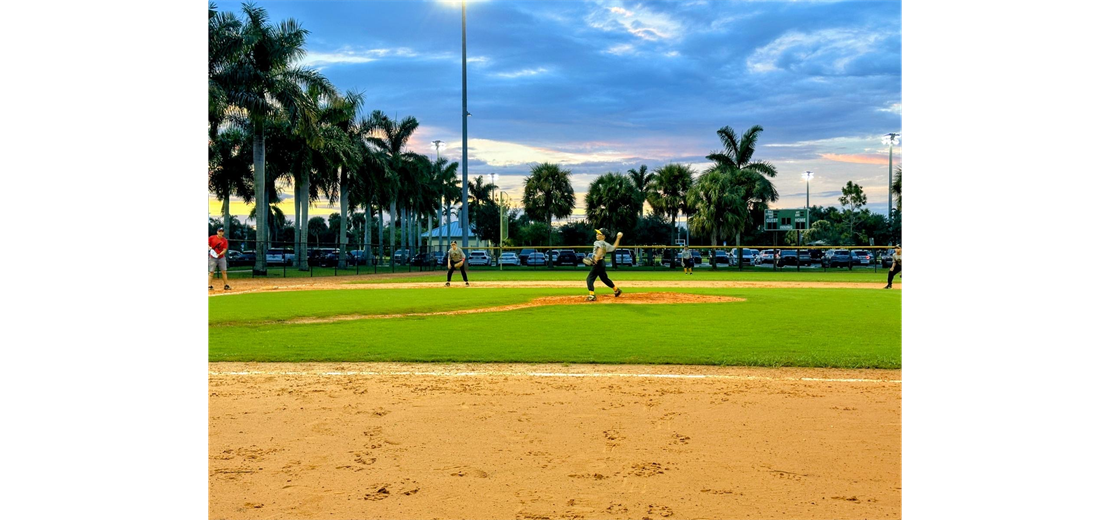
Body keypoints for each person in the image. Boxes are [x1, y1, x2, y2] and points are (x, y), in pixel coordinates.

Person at [584, 228, 623, 301]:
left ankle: (592, 295)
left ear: (603, 236)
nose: (597, 234)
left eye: (599, 234)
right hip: (602, 263)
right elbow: (614, 248)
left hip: (598, 263)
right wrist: (618, 238)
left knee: (590, 279)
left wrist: (595, 259)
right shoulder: (606, 244)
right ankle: (616, 290)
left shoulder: (597, 242)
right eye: (597, 233)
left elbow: (600, 250)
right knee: (604, 278)